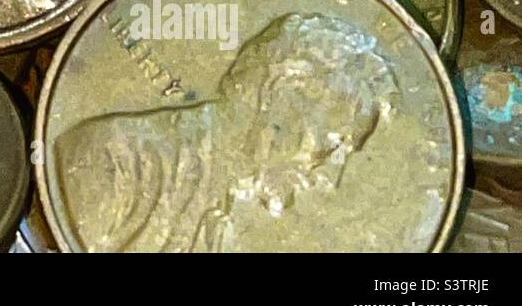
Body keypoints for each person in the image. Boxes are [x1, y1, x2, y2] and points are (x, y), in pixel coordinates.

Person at [52, 13, 401, 251]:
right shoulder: (111, 161)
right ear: (285, 90)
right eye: (335, 142)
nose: (331, 176)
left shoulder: (227, 212)